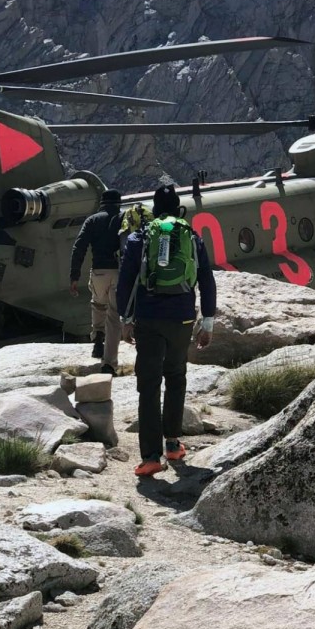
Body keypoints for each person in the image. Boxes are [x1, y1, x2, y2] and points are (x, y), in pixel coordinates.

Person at [116, 184, 216, 477]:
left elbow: (125, 282)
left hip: (148, 318)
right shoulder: (192, 237)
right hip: (182, 318)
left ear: (155, 209)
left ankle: (151, 457)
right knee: (176, 376)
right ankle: (172, 444)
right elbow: (206, 280)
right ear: (178, 209)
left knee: (148, 385)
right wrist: (207, 322)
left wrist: (125, 319)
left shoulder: (139, 238)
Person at [69, 188, 124, 373]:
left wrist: (74, 276)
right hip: (120, 272)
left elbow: (79, 247)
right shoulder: (125, 219)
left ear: (102, 203)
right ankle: (109, 363)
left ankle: (98, 335)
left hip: (99, 272)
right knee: (114, 316)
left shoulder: (92, 220)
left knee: (98, 304)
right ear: (119, 203)